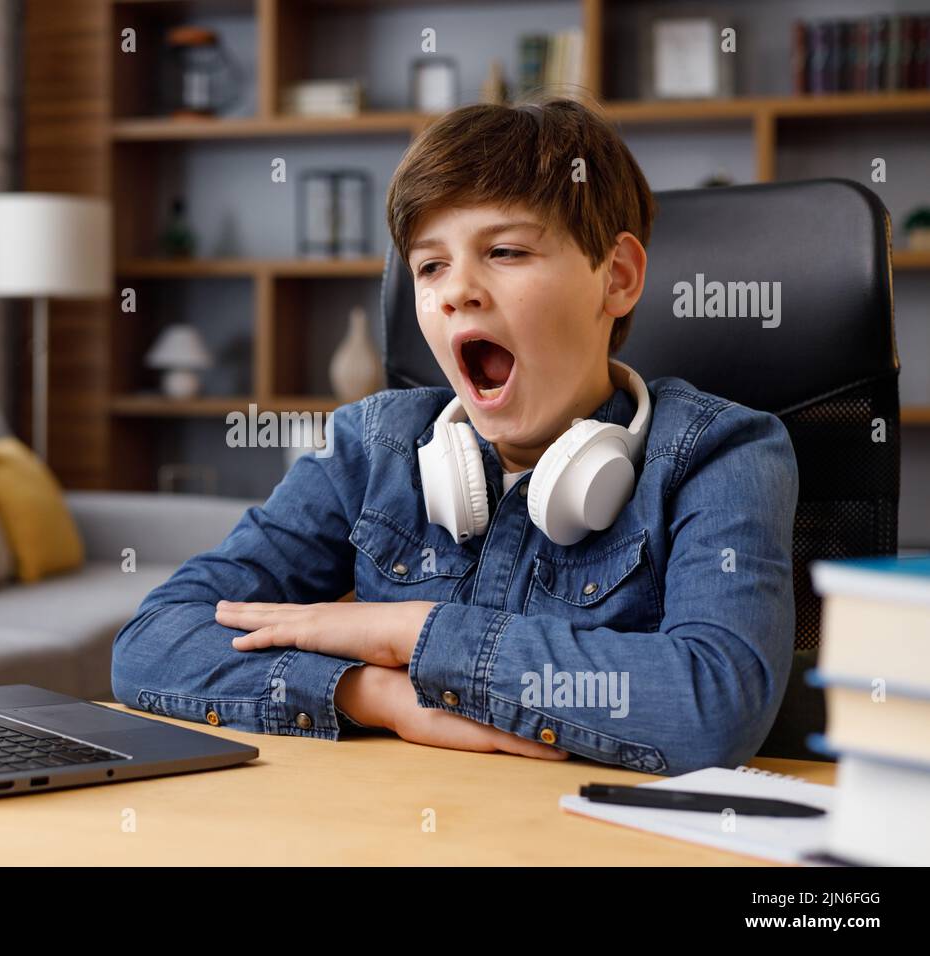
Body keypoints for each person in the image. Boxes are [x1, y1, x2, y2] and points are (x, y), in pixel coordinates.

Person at [110, 97, 799, 776]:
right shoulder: (369, 446)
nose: (455, 291)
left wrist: (404, 631)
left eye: (504, 250)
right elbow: (152, 643)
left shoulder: (722, 452)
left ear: (615, 278)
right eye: (430, 265)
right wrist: (370, 694)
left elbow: (713, 703)